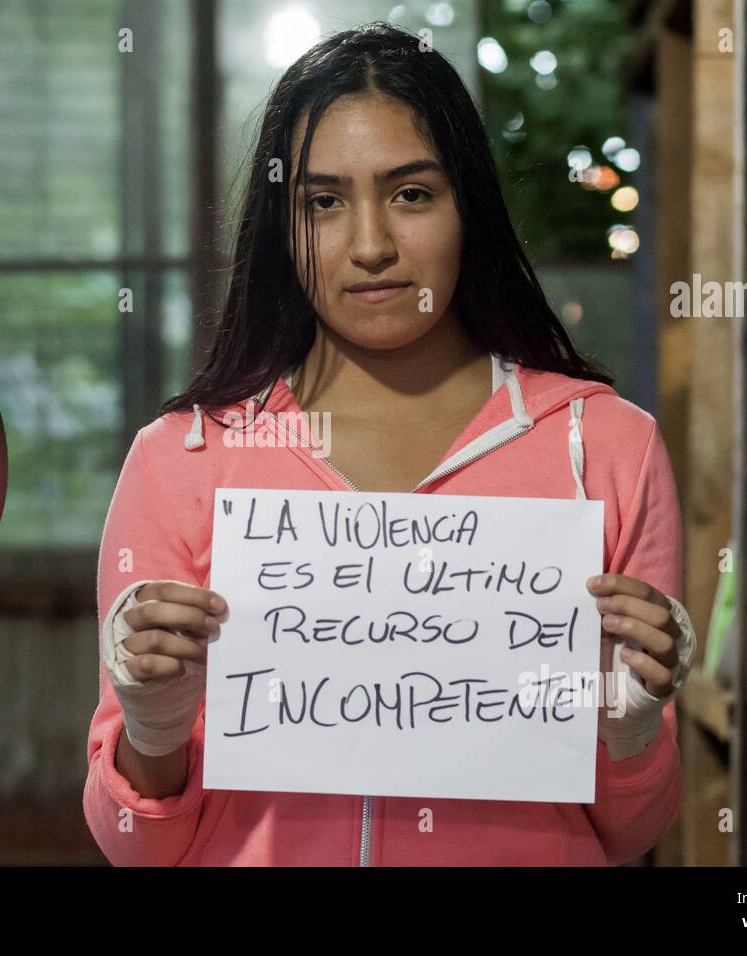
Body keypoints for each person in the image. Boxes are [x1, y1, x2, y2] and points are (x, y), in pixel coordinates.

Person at [82, 21, 695, 866]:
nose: (369, 245)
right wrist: (151, 732)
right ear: (281, 224)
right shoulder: (181, 458)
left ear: (468, 205)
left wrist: (630, 730)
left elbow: (631, 834)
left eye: (411, 194)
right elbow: (131, 848)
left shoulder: (610, 448)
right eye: (322, 202)